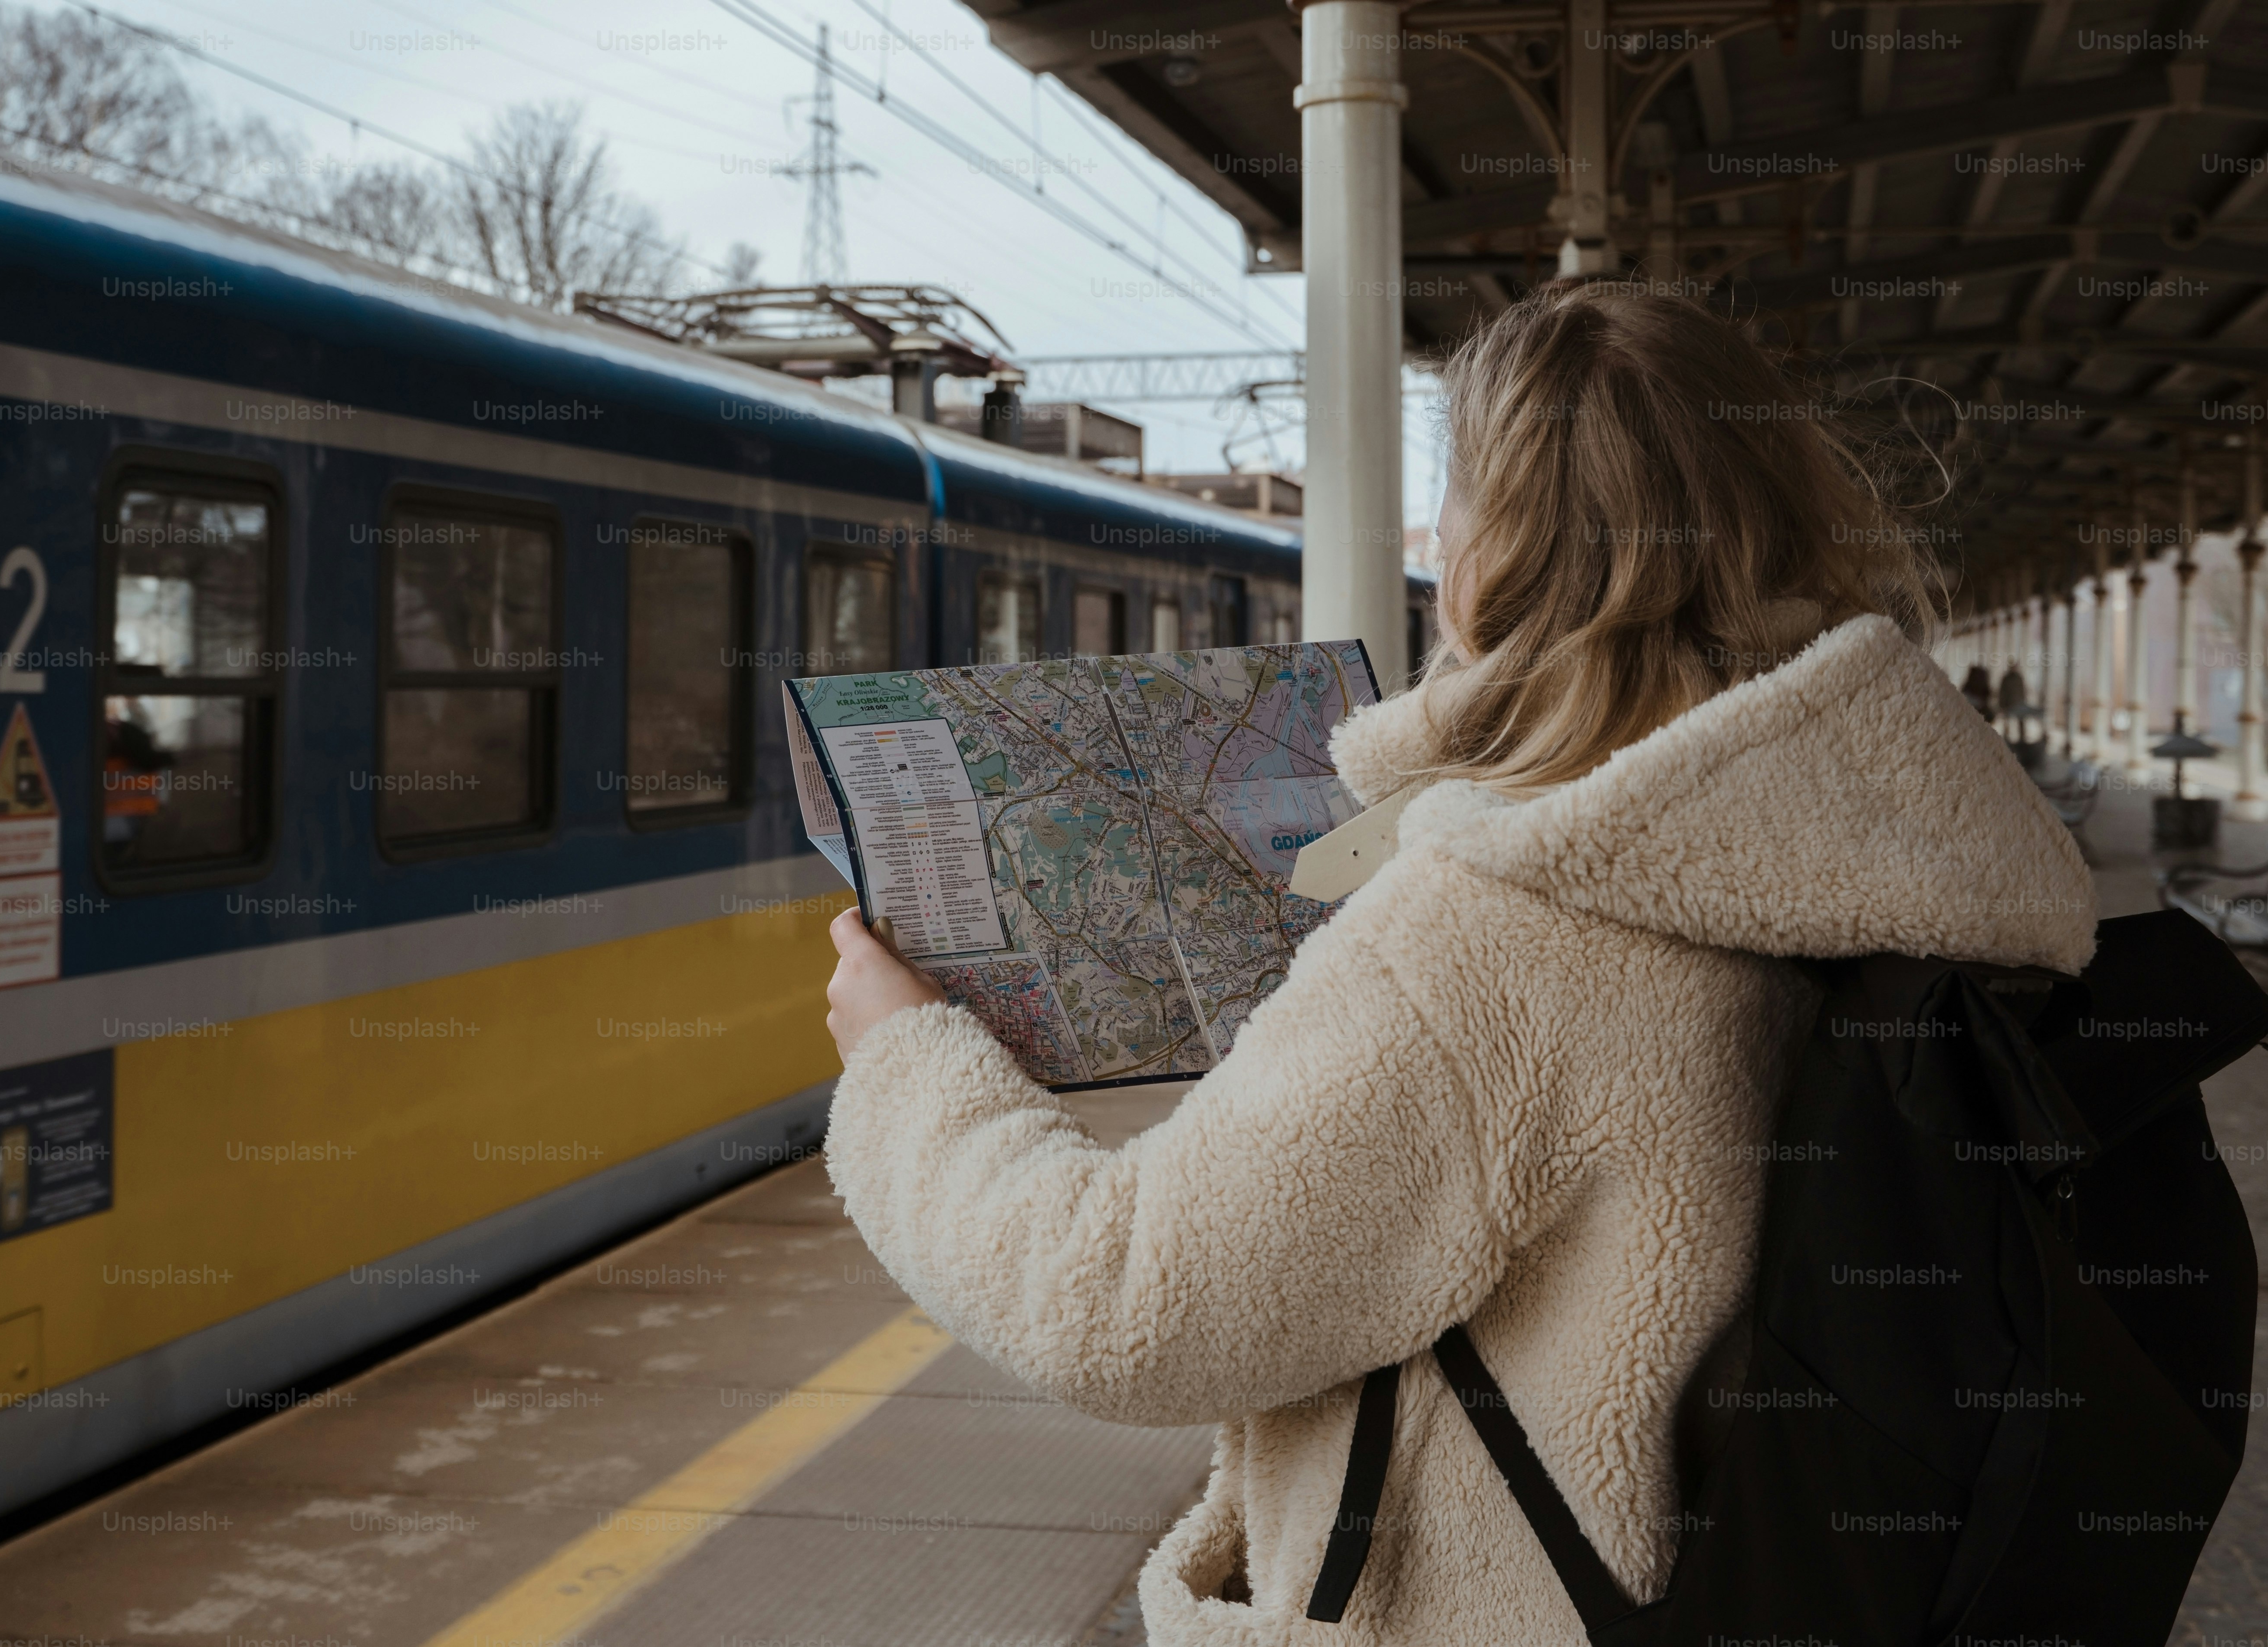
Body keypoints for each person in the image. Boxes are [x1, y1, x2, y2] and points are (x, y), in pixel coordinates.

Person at [820, 280, 2095, 1645]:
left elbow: (1125, 1302)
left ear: (1482, 550)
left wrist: (905, 1063)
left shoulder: (1497, 924)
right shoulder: (1855, 841)